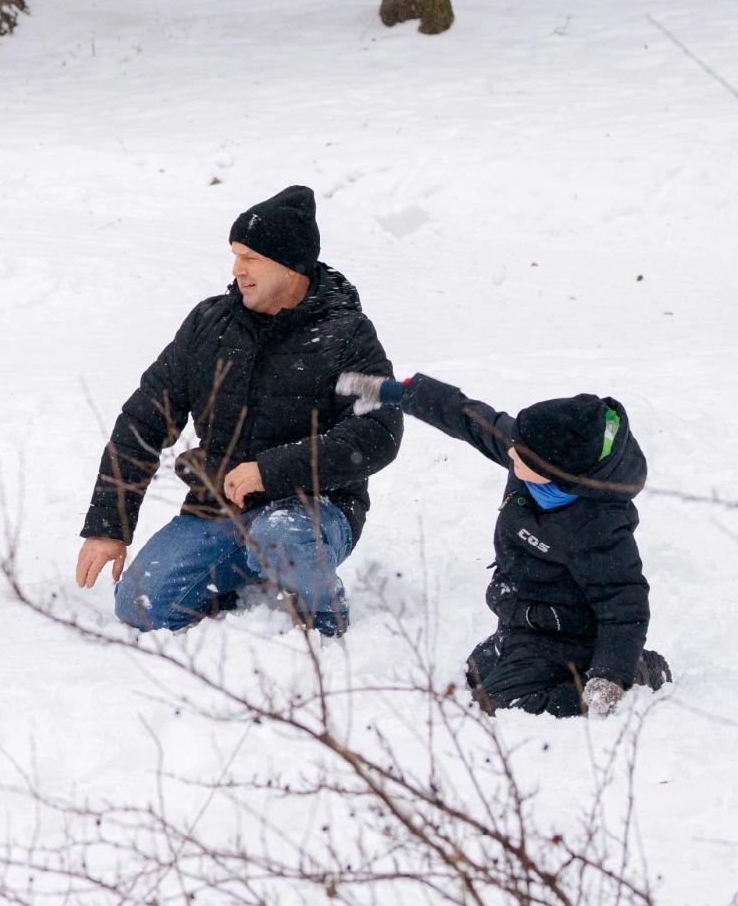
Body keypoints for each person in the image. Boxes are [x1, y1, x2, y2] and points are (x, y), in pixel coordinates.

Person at [75, 185, 402, 635]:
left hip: (314, 507)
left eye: (250, 258)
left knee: (284, 534)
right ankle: (251, 568)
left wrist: (269, 471)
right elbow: (143, 420)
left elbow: (378, 432)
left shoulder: (347, 336)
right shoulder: (210, 325)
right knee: (140, 606)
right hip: (220, 505)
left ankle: (324, 619)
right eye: (235, 255)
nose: (237, 269)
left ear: (290, 266)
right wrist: (110, 524)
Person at [338, 371, 669, 717]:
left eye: (520, 455)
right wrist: (399, 393)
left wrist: (611, 676)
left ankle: (637, 671)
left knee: (495, 705)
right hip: (522, 622)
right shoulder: (532, 452)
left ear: (556, 473)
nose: (510, 453)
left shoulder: (598, 524)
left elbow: (625, 601)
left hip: (567, 637)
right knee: (471, 676)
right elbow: (469, 417)